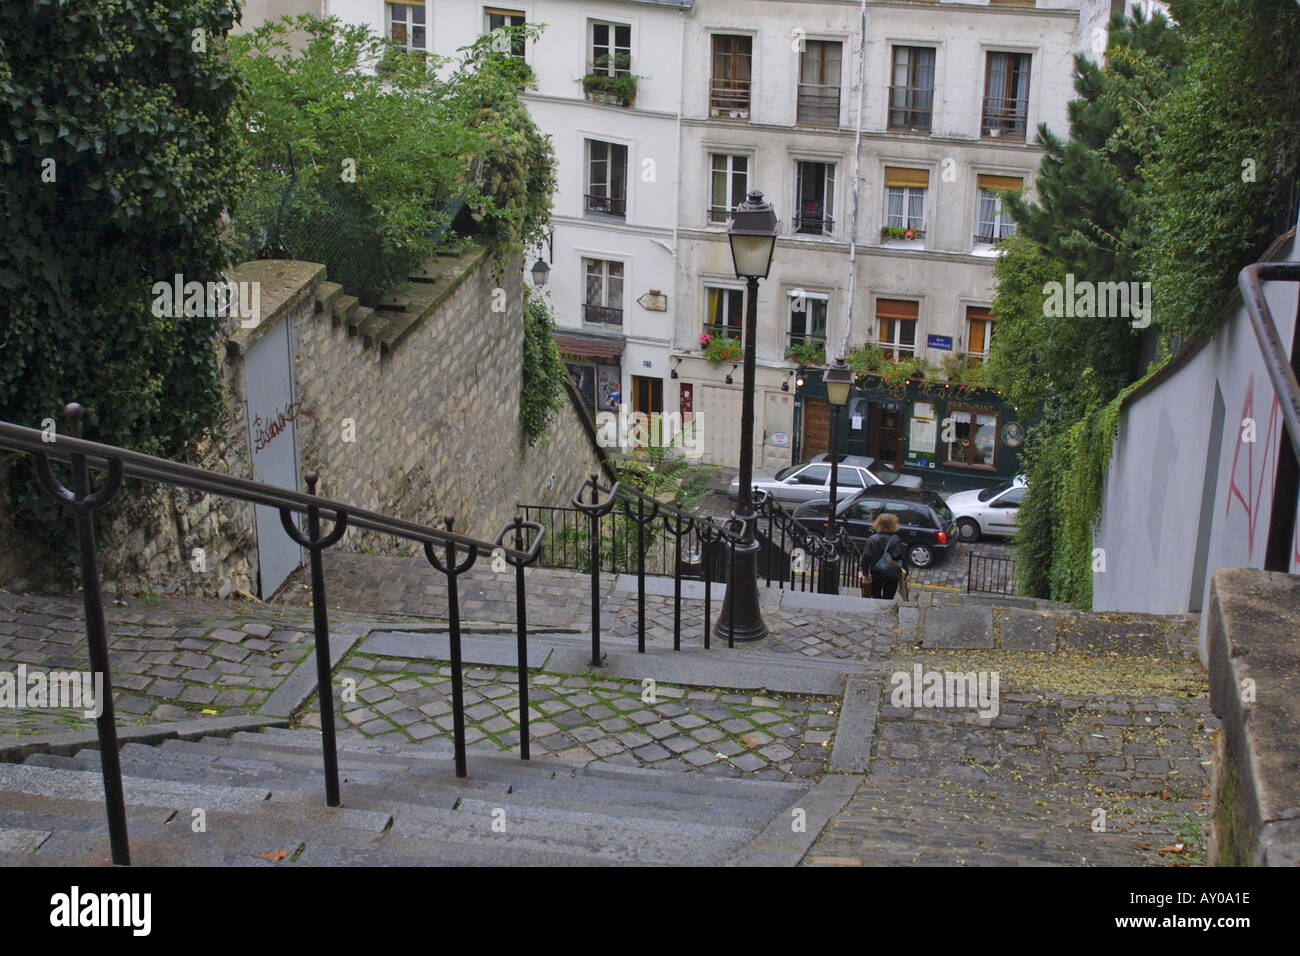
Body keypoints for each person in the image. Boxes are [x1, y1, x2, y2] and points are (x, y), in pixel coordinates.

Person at [859, 513, 908, 600]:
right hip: (892, 573)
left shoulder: (872, 539)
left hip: (876, 571)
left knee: (876, 593)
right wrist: (905, 571)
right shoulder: (896, 539)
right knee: (889, 595)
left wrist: (865, 573)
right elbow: (901, 557)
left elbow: (866, 557)